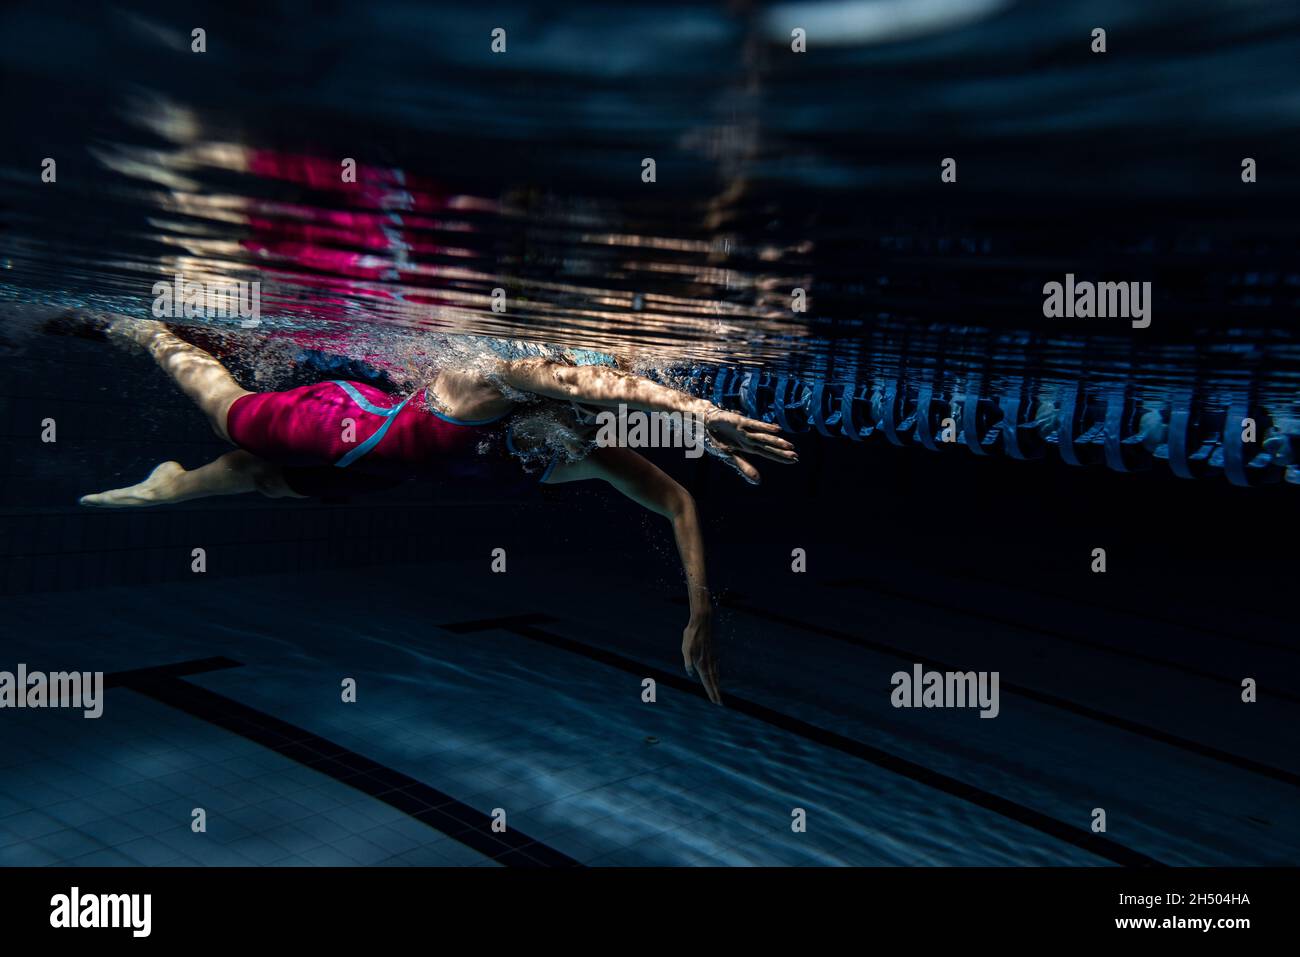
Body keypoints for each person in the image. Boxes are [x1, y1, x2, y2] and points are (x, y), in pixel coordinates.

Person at [79, 317, 798, 704]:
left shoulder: (576, 445)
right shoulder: (487, 390)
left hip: (385, 473)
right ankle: (144, 331)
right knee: (231, 418)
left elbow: (677, 499)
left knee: (272, 484)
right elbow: (577, 375)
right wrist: (697, 410)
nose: (583, 439)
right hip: (347, 427)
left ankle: (172, 485)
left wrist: (700, 608)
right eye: (584, 415)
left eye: (590, 429)